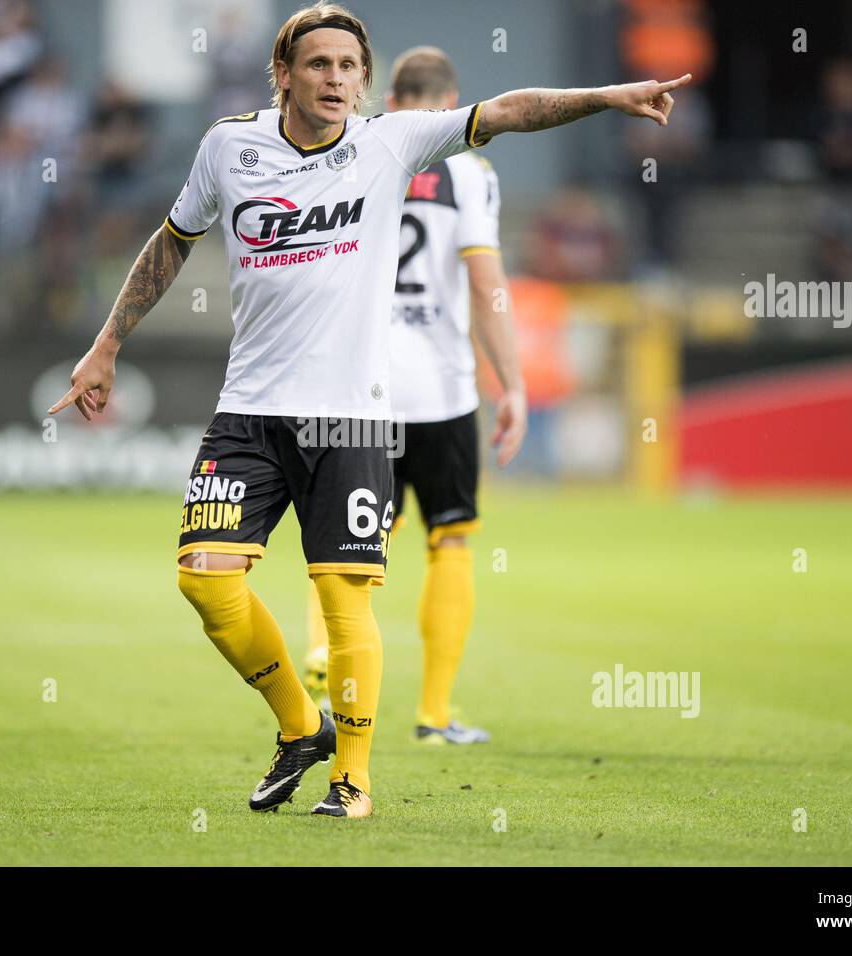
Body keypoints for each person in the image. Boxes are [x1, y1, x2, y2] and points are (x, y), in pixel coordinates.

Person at [49, 0, 690, 819]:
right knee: (205, 582)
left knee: (346, 602)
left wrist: (606, 95)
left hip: (352, 417)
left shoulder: (393, 141)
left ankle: (352, 780)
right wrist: (108, 342)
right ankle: (298, 726)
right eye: (319, 65)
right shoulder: (228, 146)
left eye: (350, 68)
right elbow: (173, 240)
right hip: (248, 411)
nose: (337, 81)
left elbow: (514, 109)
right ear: (282, 73)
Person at [301, 46, 526, 745]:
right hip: (438, 390)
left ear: (388, 98)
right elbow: (486, 286)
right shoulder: (468, 170)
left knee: (353, 540)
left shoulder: (353, 153)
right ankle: (433, 715)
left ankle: (320, 655)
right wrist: (512, 383)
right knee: (450, 537)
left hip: (358, 384)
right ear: (454, 102)